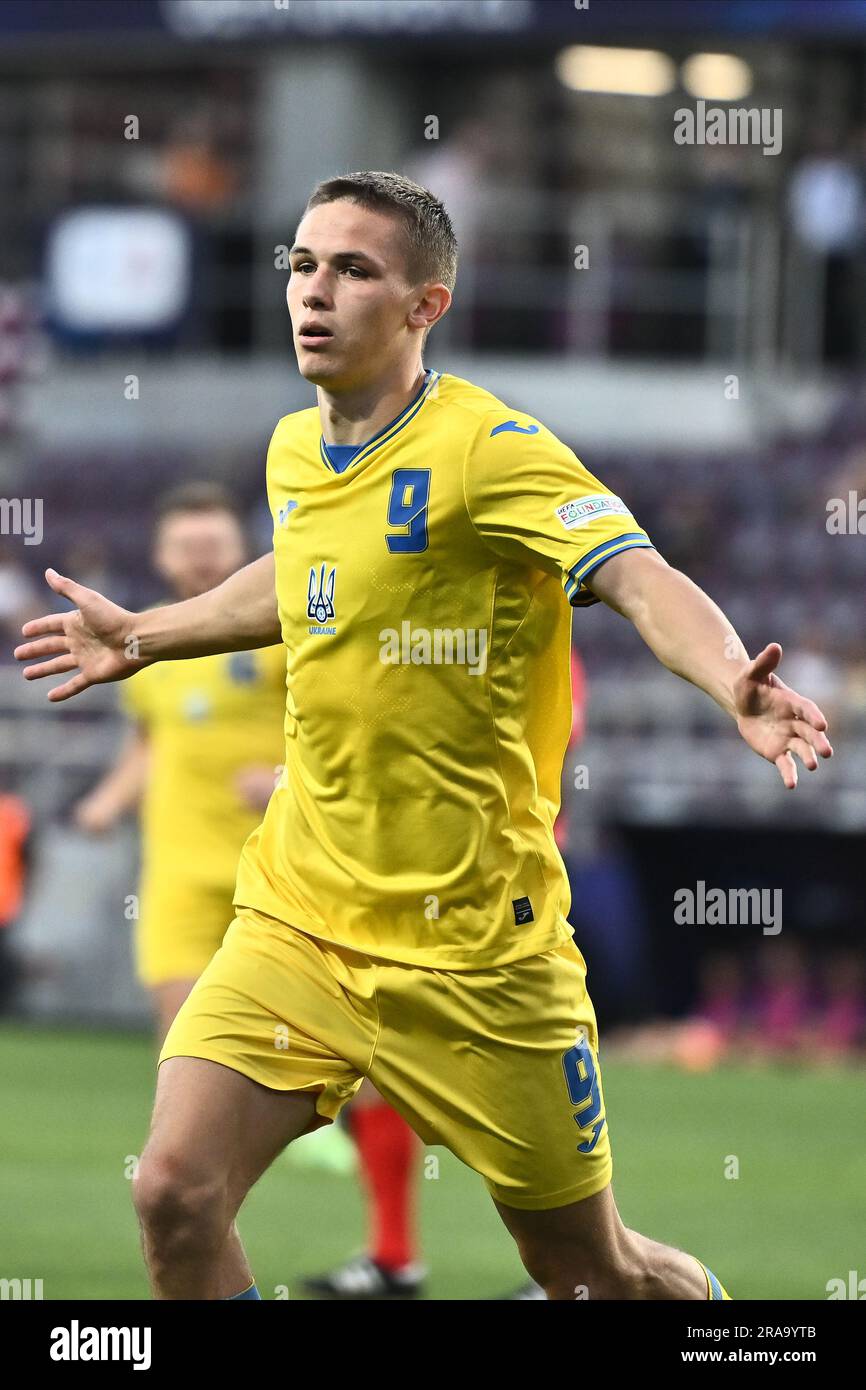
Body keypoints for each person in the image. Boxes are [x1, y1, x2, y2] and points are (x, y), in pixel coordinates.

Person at [16, 171, 832, 1301]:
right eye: (302, 264)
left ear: (422, 306)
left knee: (591, 1271)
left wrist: (725, 680)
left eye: (354, 269)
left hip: (476, 952)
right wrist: (149, 635)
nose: (315, 291)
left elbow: (638, 576)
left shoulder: (487, 449)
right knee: (173, 1191)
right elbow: (306, 573)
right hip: (299, 915)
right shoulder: (294, 452)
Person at [73, 482, 286, 1044]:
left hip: (279, 867)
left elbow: (347, 725)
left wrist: (286, 780)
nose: (200, 558)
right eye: (186, 547)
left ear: (242, 549)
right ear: (161, 557)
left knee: (320, 1053)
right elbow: (151, 740)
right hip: (178, 874)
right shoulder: (143, 639)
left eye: (212, 544)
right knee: (188, 1042)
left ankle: (335, 1135)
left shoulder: (288, 628)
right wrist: (110, 799)